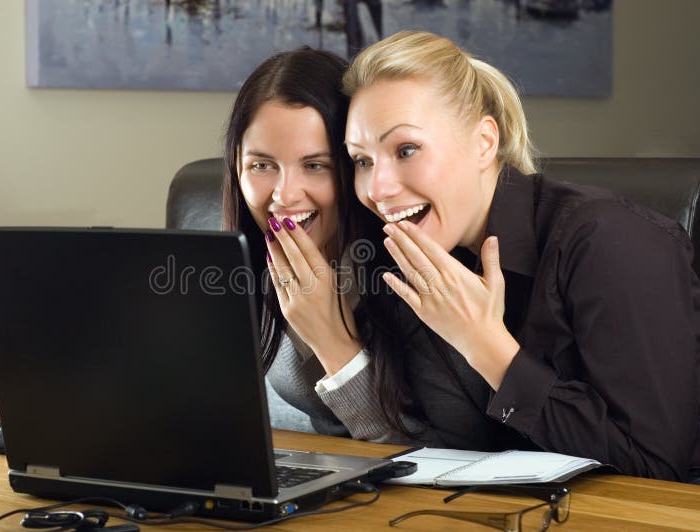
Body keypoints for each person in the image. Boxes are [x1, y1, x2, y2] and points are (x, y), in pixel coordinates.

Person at [338, 30, 700, 482]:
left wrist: (486, 346)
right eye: (362, 160)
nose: (377, 189)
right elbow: (433, 449)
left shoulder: (607, 240)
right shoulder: (425, 262)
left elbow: (654, 470)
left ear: (484, 143)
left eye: (406, 149)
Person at [222, 47, 386, 436]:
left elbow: (417, 452)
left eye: (315, 166)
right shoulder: (242, 265)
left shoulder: (399, 273)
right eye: (262, 165)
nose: (285, 195)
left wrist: (333, 343)